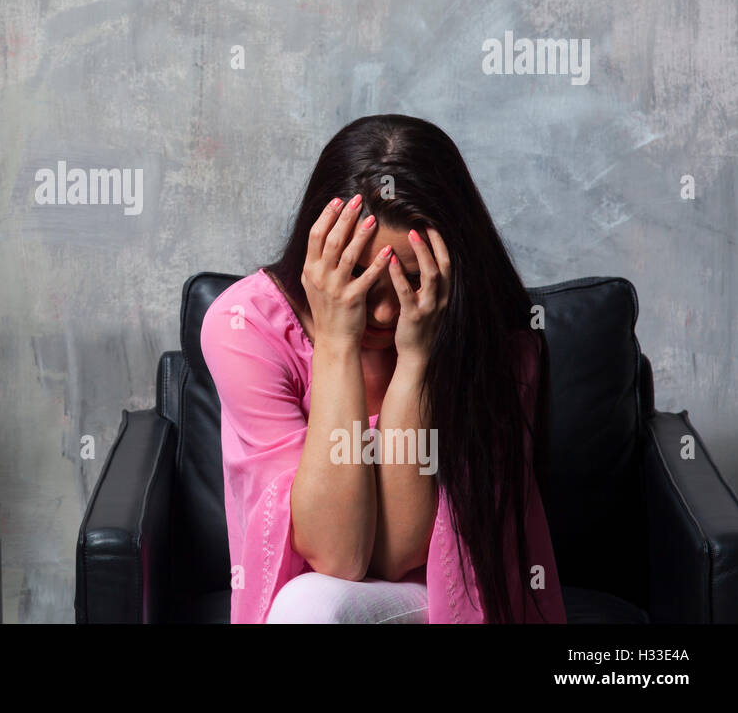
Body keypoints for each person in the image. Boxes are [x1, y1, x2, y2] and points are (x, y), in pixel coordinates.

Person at [199, 114, 566, 624]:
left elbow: (397, 557)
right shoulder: (246, 327)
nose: (385, 313)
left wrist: (415, 361)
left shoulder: (496, 341)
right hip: (315, 605)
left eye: (410, 280)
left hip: (446, 603)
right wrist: (335, 347)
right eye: (358, 277)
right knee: (311, 602)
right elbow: (338, 555)